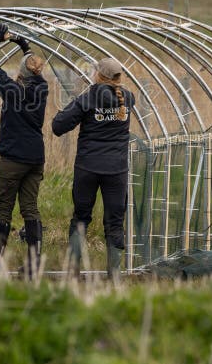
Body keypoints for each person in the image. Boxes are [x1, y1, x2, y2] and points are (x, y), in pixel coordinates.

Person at [52, 57, 135, 282]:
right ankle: (115, 276)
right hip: (116, 170)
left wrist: (69, 108)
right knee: (115, 221)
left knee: (81, 217)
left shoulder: (86, 98)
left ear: (98, 75)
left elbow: (58, 126)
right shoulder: (128, 98)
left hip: (87, 167)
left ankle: (73, 272)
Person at [0, 23, 49, 278]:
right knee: (30, 209)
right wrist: (22, 44)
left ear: (20, 72)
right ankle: (34, 265)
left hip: (13, 158)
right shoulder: (42, 88)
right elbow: (32, 65)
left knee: (3, 209)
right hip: (35, 158)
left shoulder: (11, 90)